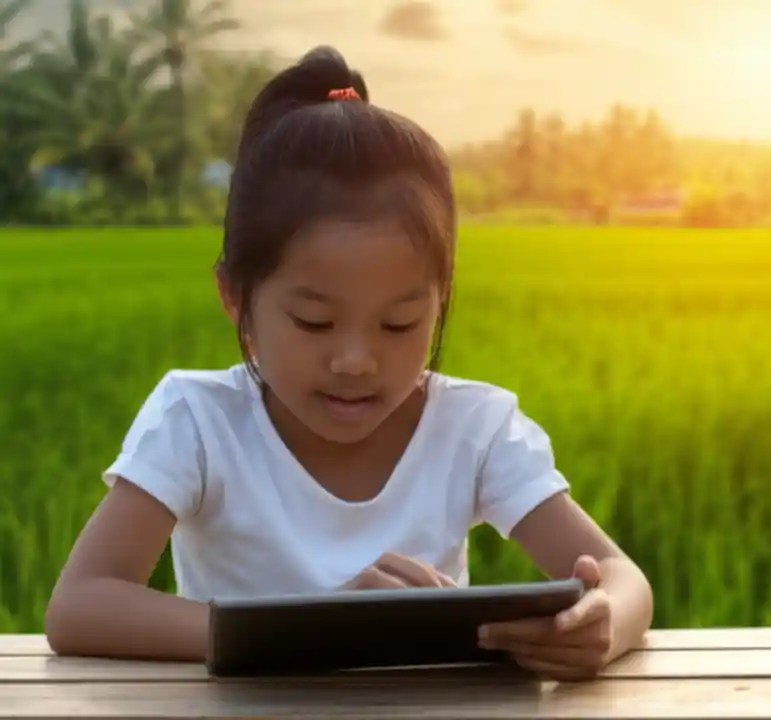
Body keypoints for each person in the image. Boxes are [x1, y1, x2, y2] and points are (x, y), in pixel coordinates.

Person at [43, 46, 653, 681]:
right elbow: (82, 605)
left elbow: (622, 577)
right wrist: (316, 632)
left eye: (400, 324)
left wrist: (601, 622)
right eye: (314, 322)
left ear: (440, 303)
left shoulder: (473, 428)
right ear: (235, 297)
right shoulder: (199, 423)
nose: (357, 361)